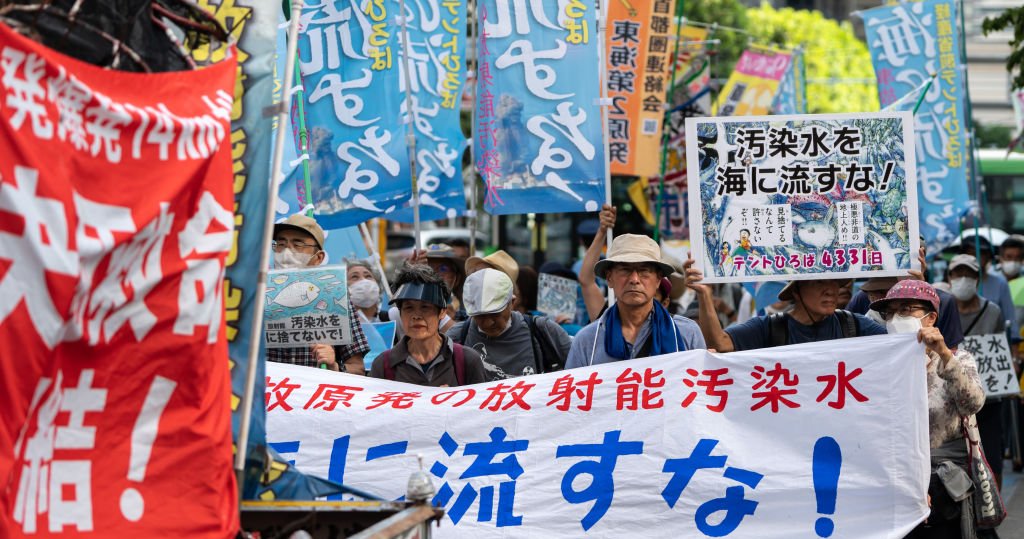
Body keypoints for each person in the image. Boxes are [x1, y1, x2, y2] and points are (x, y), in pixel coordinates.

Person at [871, 280, 985, 539]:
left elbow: (973, 403)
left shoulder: (958, 358)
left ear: (930, 317)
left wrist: (944, 354)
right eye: (891, 312)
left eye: (907, 308)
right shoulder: (879, 363)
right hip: (895, 479)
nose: (897, 317)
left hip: (944, 483)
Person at [685, 258, 886, 351]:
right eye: (819, 282)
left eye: (834, 283)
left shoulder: (855, 325)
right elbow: (718, 343)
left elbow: (902, 347)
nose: (830, 290)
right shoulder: (769, 328)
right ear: (796, 292)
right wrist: (705, 295)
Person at [566, 234, 705, 368]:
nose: (634, 279)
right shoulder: (588, 340)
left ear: (658, 280)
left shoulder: (686, 332)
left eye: (644, 271)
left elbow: (702, 387)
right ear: (609, 278)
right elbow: (572, 390)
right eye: (625, 270)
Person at [268, 214, 369, 374]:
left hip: (313, 396)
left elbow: (358, 369)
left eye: (298, 244)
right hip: (268, 395)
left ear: (318, 257)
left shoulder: (336, 299)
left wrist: (334, 366)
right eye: (281, 243)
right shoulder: (258, 295)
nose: (286, 252)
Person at [369, 264, 487, 386]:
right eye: (409, 308)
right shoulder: (383, 365)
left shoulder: (467, 360)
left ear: (442, 312)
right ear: (400, 312)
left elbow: (478, 403)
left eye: (425, 307)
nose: (416, 316)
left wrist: (451, 401)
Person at [948, 254, 1007, 490]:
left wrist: (1007, 377)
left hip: (990, 397)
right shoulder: (942, 309)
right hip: (956, 398)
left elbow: (1000, 349)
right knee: (960, 457)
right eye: (958, 274)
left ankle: (993, 513)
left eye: (969, 274)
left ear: (977, 278)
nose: (963, 279)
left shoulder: (992, 311)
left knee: (992, 457)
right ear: (949, 277)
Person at [449, 268, 571, 378]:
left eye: (495, 314)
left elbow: (580, 370)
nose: (487, 323)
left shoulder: (543, 330)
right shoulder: (457, 337)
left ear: (512, 303)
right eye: (479, 316)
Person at [346, 259, 385, 323]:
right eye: (355, 277)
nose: (363, 281)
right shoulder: (340, 325)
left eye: (368, 276)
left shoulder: (393, 319)